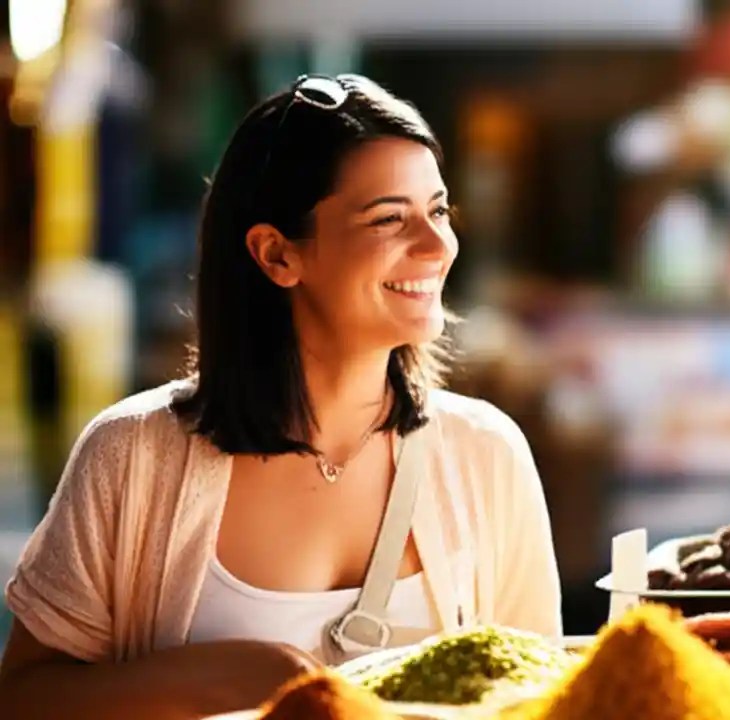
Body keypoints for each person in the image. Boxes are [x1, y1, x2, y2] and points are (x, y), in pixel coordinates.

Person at [0, 74, 561, 719]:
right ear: (275, 254)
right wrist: (225, 678)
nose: (438, 247)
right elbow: (23, 700)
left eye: (437, 210)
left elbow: (544, 700)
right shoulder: (131, 457)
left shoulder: (486, 455)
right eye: (389, 218)